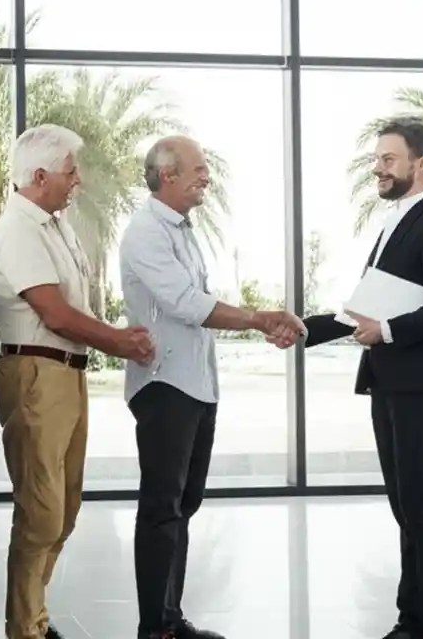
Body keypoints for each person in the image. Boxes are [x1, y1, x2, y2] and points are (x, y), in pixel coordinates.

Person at [118, 135, 304, 639]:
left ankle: (170, 620)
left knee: (184, 505)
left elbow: (197, 303)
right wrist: (260, 319)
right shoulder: (145, 232)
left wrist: (254, 320)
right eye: (198, 169)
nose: (206, 177)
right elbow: (185, 303)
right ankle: (154, 628)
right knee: (162, 508)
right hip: (164, 387)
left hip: (196, 387)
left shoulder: (182, 230)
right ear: (167, 174)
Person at [0, 124, 155, 639]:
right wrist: (118, 341)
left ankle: (34, 615)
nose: (77, 180)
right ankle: (25, 629)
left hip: (65, 375)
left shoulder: (54, 226)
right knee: (41, 512)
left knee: (65, 509)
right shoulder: (17, 230)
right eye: (70, 170)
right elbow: (54, 312)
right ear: (39, 175)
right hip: (36, 374)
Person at [302, 117, 423, 639]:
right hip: (389, 383)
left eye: (388, 159)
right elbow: (364, 312)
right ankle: (411, 617)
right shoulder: (392, 226)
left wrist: (390, 331)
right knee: (405, 505)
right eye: (377, 159)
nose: (378, 168)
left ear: (421, 165)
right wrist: (297, 328)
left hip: (419, 385)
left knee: (421, 503)